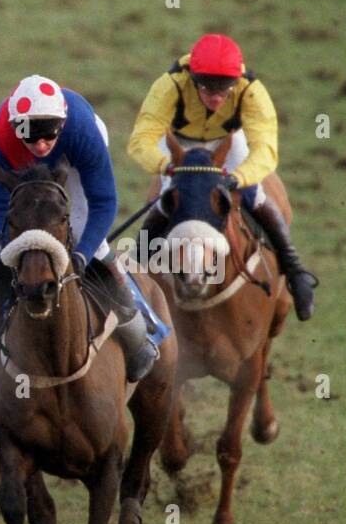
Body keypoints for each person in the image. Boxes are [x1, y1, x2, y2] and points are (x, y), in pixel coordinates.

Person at [0, 74, 158, 383]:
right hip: (20, 168)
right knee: (4, 254)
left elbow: (103, 202)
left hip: (72, 158)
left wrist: (83, 254)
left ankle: (135, 332)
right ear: (16, 128)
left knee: (93, 244)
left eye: (49, 135)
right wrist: (15, 249)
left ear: (61, 124)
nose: (41, 145)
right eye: (31, 136)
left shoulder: (81, 131)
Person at [126, 33, 316, 320]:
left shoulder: (251, 90)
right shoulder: (171, 84)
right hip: (180, 144)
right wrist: (166, 166)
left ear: (235, 82)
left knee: (255, 195)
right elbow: (141, 140)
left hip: (226, 141)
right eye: (207, 88)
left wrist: (239, 178)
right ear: (193, 79)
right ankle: (133, 273)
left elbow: (265, 149)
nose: (216, 97)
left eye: (224, 89)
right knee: (167, 199)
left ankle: (295, 270)